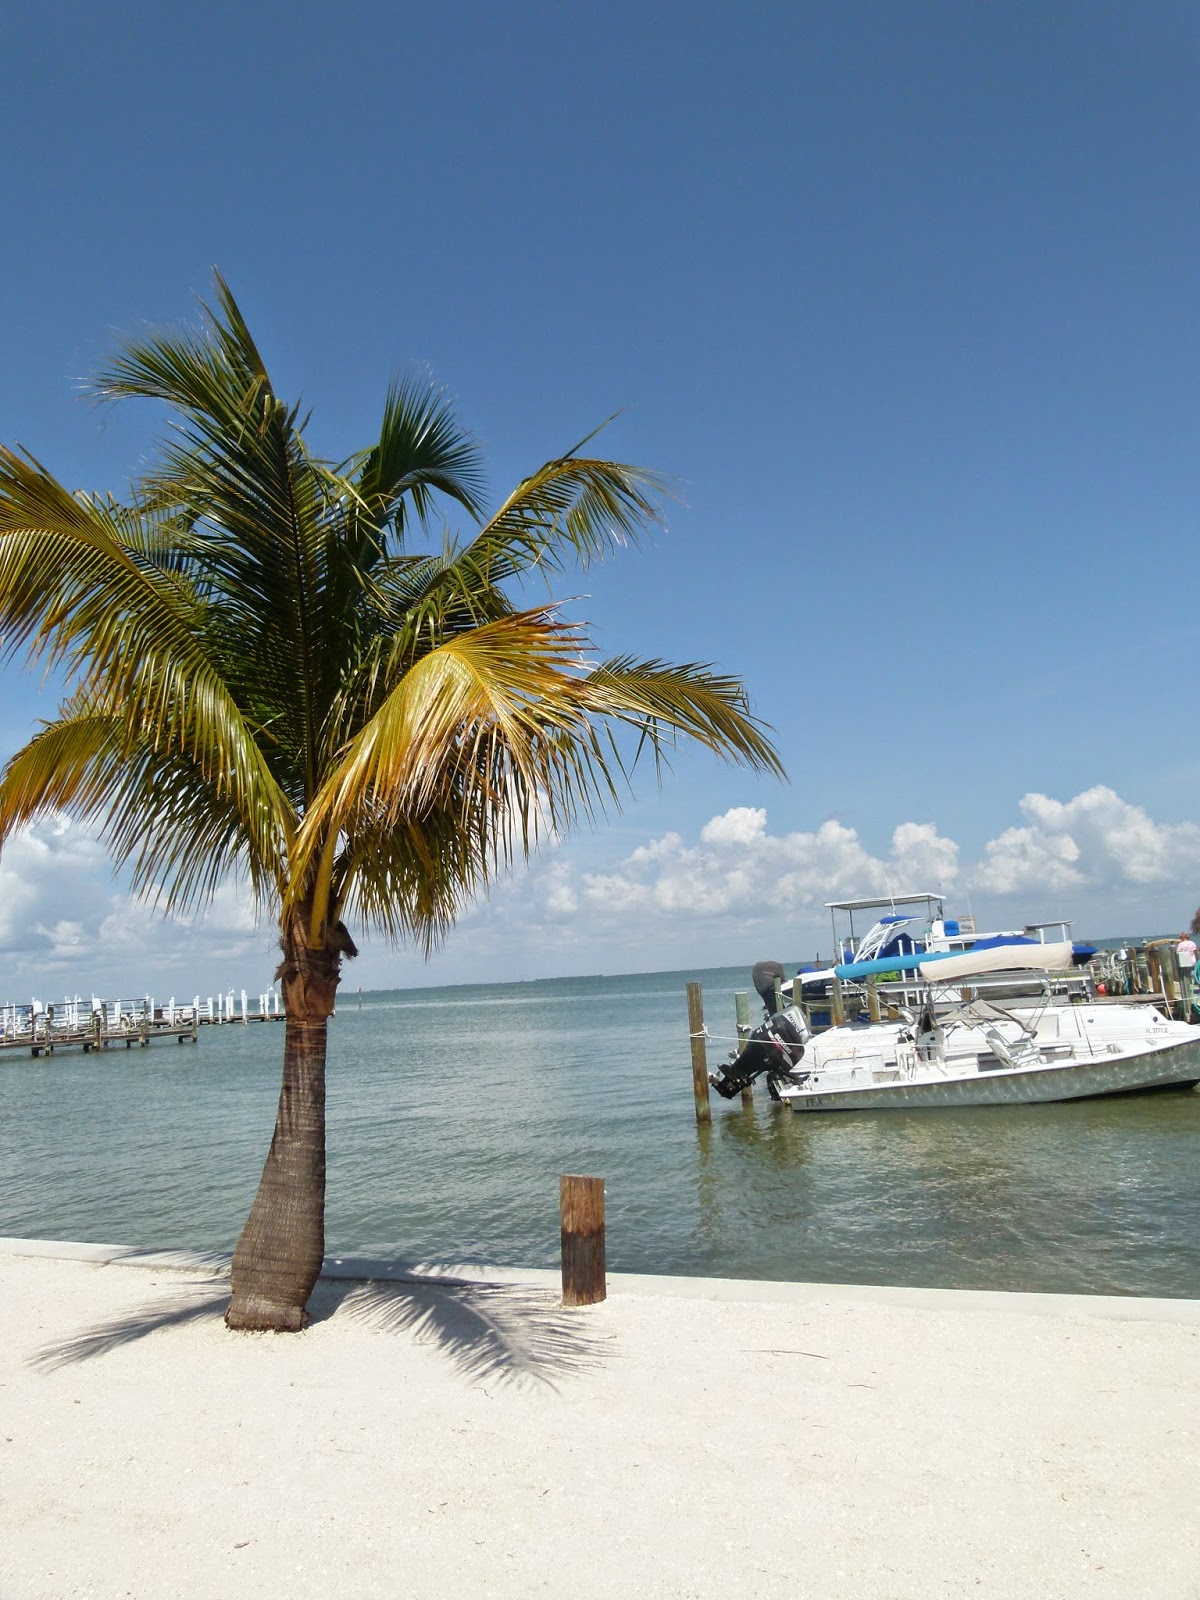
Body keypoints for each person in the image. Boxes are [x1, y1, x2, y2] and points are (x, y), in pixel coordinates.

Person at [1176, 932, 1197, 1015]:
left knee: (1185, 975)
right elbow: (1194, 951)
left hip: (1184, 960)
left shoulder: (1180, 944)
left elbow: (1178, 953)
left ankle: (1188, 987)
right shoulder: (1192, 943)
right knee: (1191, 973)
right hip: (1192, 960)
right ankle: (1192, 983)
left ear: (1182, 937)